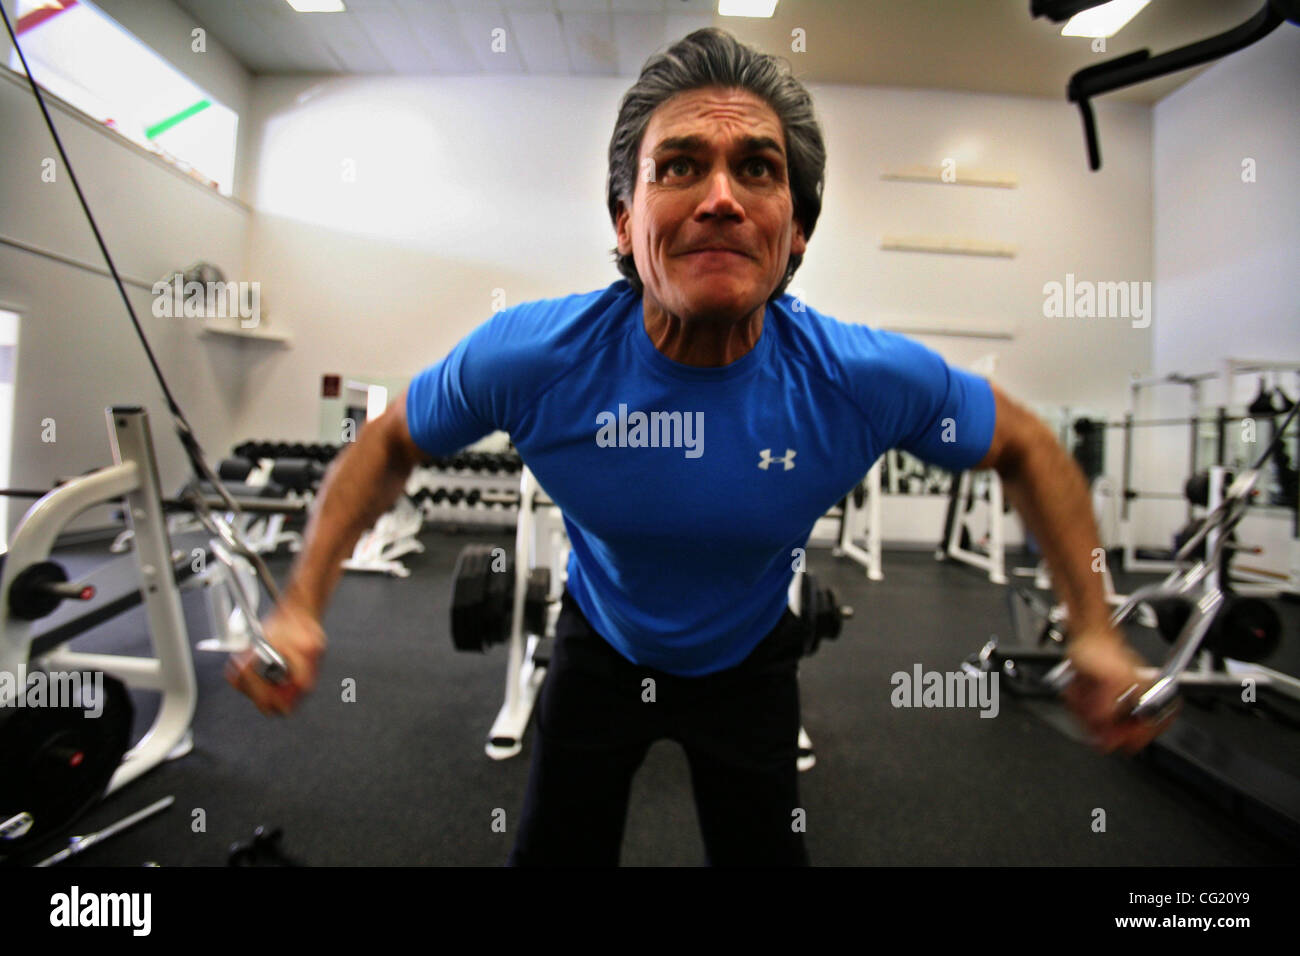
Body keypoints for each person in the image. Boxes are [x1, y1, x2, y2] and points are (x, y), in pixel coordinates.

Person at [228, 28, 1167, 865]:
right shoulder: (534, 359)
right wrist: (303, 603)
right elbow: (389, 442)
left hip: (751, 661)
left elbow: (1029, 448)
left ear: (796, 231)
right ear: (624, 221)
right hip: (600, 641)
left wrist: (1092, 624)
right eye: (678, 166)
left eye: (758, 169)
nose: (720, 197)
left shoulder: (861, 382)